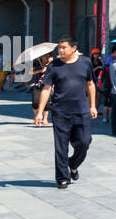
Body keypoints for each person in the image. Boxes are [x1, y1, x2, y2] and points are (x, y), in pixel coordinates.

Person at [35, 36, 97, 189]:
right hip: (60, 112)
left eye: (64, 47)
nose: (61, 50)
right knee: (61, 146)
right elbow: (46, 89)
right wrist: (40, 112)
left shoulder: (85, 62)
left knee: (84, 142)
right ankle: (62, 178)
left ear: (73, 48)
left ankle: (73, 164)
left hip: (82, 111)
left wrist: (93, 105)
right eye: (59, 48)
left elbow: (90, 84)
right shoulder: (53, 66)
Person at [30, 54, 52, 127]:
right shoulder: (36, 62)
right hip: (37, 84)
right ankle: (37, 116)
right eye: (44, 55)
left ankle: (45, 118)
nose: (46, 57)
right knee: (35, 102)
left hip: (48, 85)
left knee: (47, 102)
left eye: (48, 55)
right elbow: (30, 72)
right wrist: (40, 70)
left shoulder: (52, 63)